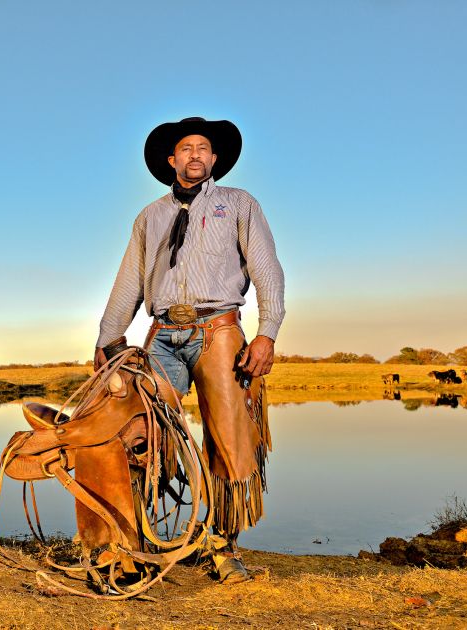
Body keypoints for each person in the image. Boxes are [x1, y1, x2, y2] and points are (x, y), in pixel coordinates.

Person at [93, 116, 285, 584]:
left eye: (203, 148)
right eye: (186, 148)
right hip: (161, 334)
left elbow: (267, 270)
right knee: (140, 433)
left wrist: (267, 332)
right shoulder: (150, 216)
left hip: (218, 332)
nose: (195, 155)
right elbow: (129, 282)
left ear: (214, 159)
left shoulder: (238, 204)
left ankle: (223, 547)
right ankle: (131, 542)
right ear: (171, 159)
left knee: (227, 436)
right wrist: (107, 338)